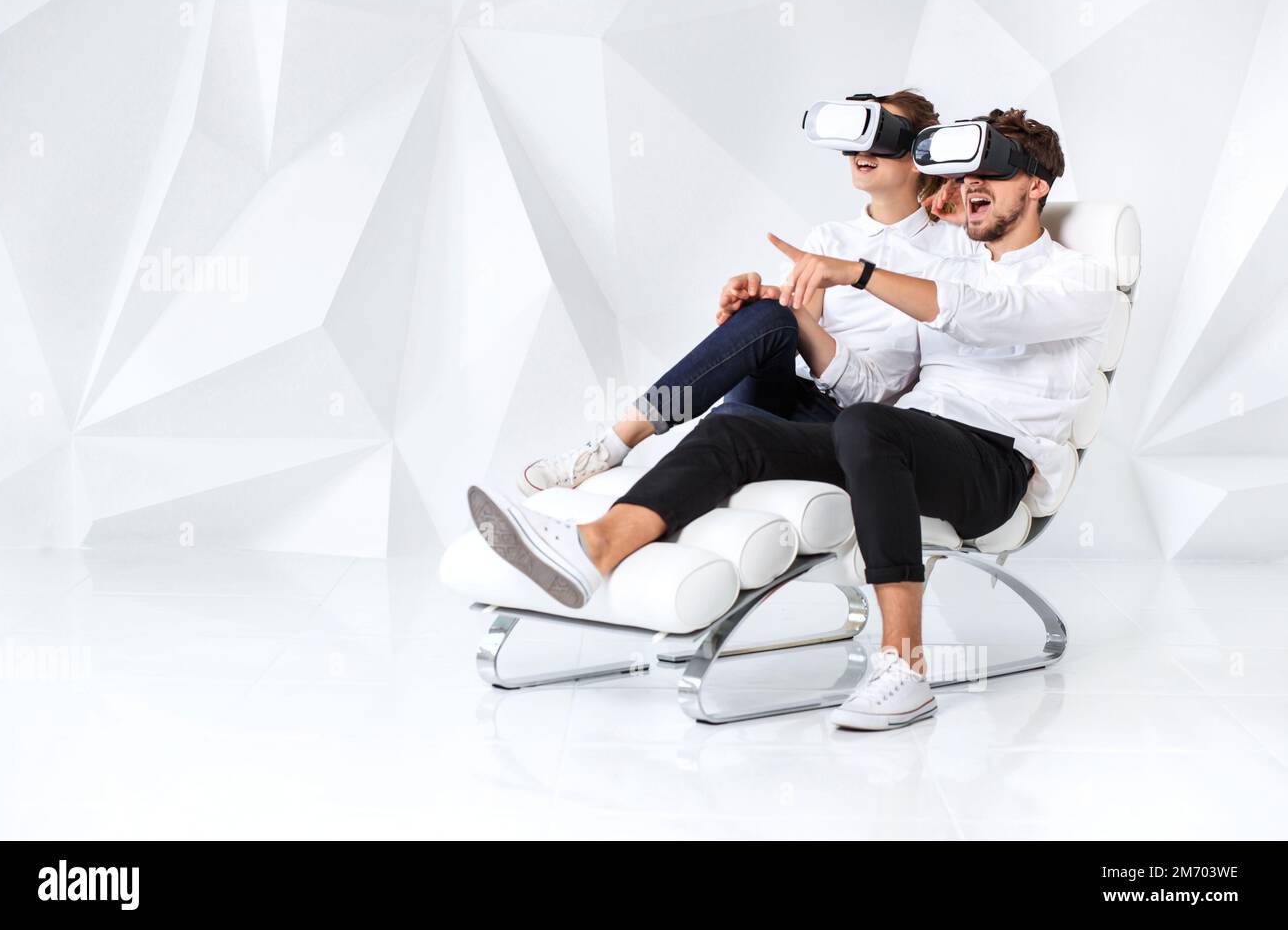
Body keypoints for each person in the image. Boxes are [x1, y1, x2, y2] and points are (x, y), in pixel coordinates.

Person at [467, 108, 1118, 731]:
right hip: (902, 438)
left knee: (868, 424)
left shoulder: (1080, 278)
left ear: (1037, 186)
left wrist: (857, 272)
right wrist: (781, 308)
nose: (973, 187)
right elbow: (895, 344)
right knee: (736, 431)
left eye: (993, 173)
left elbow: (982, 314)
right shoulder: (946, 258)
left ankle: (905, 666)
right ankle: (597, 546)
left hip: (991, 465)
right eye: (964, 175)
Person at [516, 90, 978, 495]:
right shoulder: (829, 240)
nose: (861, 150)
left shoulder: (955, 247)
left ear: (919, 151)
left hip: (851, 426)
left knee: (773, 334)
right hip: (786, 399)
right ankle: (611, 448)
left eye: (882, 134)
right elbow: (799, 337)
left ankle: (655, 467)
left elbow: (876, 395)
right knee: (769, 314)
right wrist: (764, 308)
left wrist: (964, 206)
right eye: (855, 136)